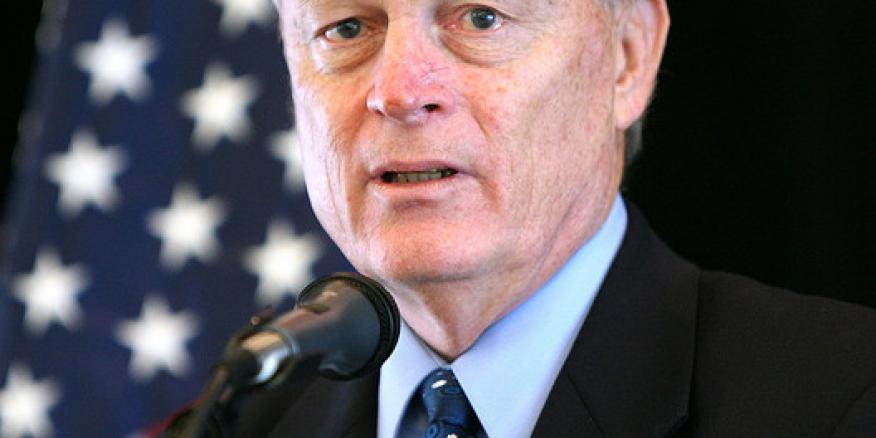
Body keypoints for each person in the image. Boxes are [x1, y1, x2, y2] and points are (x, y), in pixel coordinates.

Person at [228, 0, 876, 436]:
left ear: (628, 56)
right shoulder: (238, 420)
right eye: (346, 28)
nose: (398, 91)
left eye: (481, 18)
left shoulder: (845, 400)